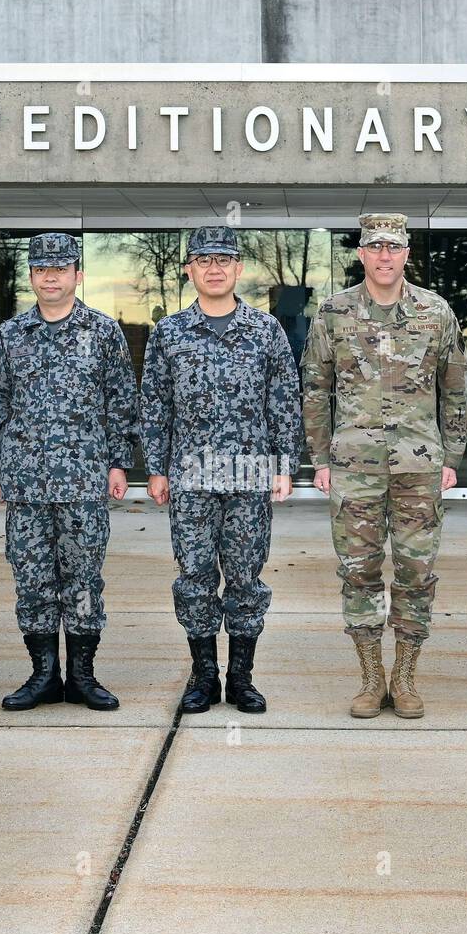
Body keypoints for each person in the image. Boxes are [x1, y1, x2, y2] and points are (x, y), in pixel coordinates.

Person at [300, 213, 467, 719]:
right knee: (360, 573)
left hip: (419, 464)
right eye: (374, 247)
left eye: (393, 247)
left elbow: (455, 387)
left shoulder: (435, 312)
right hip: (354, 466)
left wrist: (453, 456)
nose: (384, 256)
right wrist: (320, 457)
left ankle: (406, 676)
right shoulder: (334, 313)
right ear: (361, 253)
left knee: (417, 573)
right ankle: (372, 678)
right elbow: (315, 389)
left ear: (406, 253)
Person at [141, 226, 301, 714]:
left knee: (246, 578)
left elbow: (283, 399)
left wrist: (284, 463)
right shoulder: (169, 332)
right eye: (204, 260)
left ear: (238, 269)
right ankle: (203, 674)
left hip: (249, 474)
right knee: (194, 576)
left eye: (224, 260)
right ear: (189, 269)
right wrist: (155, 468)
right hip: (190, 475)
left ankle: (241, 677)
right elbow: (155, 403)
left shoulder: (265, 331)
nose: (214, 268)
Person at [0, 232, 139, 711]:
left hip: (85, 479)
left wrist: (120, 463)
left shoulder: (103, 331)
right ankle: (43, 675)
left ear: (78, 275)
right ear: (32, 276)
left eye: (60, 268)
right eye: (40, 269)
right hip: (27, 482)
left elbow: (121, 401)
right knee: (32, 579)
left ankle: (83, 676)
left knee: (84, 579)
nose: (50, 276)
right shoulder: (12, 334)